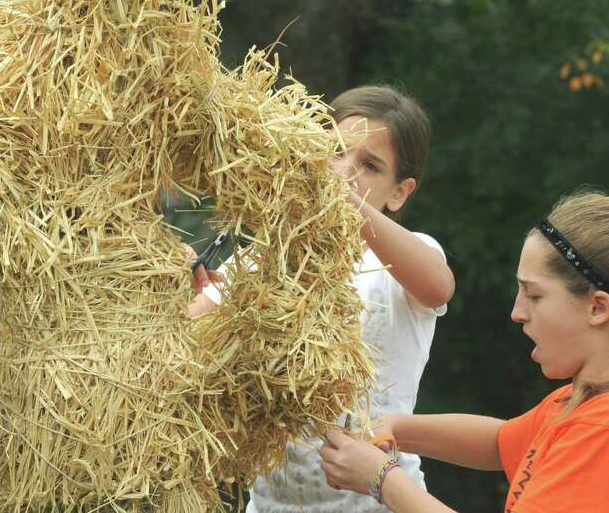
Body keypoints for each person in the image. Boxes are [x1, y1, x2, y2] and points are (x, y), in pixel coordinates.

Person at [320, 192, 609, 513]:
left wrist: (383, 480)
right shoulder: (583, 402)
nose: (517, 312)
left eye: (534, 295)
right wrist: (396, 426)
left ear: (598, 308)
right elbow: (499, 443)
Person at [190, 85, 455, 513]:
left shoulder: (403, 258)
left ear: (399, 192)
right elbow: (188, 337)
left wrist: (342, 198)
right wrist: (172, 284)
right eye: (334, 151)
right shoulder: (263, 256)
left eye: (370, 166)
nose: (345, 170)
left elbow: (438, 286)